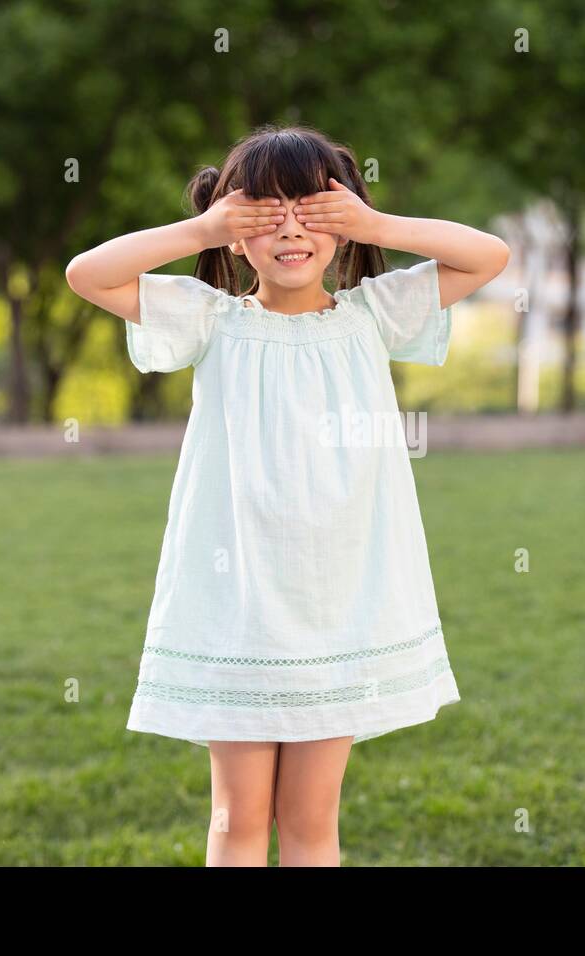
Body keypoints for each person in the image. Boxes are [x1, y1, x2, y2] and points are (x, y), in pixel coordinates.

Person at [64, 125, 509, 866]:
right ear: (238, 235)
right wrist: (200, 228)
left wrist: (375, 225)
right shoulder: (211, 321)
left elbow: (488, 255)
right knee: (237, 818)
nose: (292, 229)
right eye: (266, 214)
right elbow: (87, 273)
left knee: (310, 820)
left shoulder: (375, 314)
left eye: (313, 209)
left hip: (338, 607)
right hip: (238, 606)